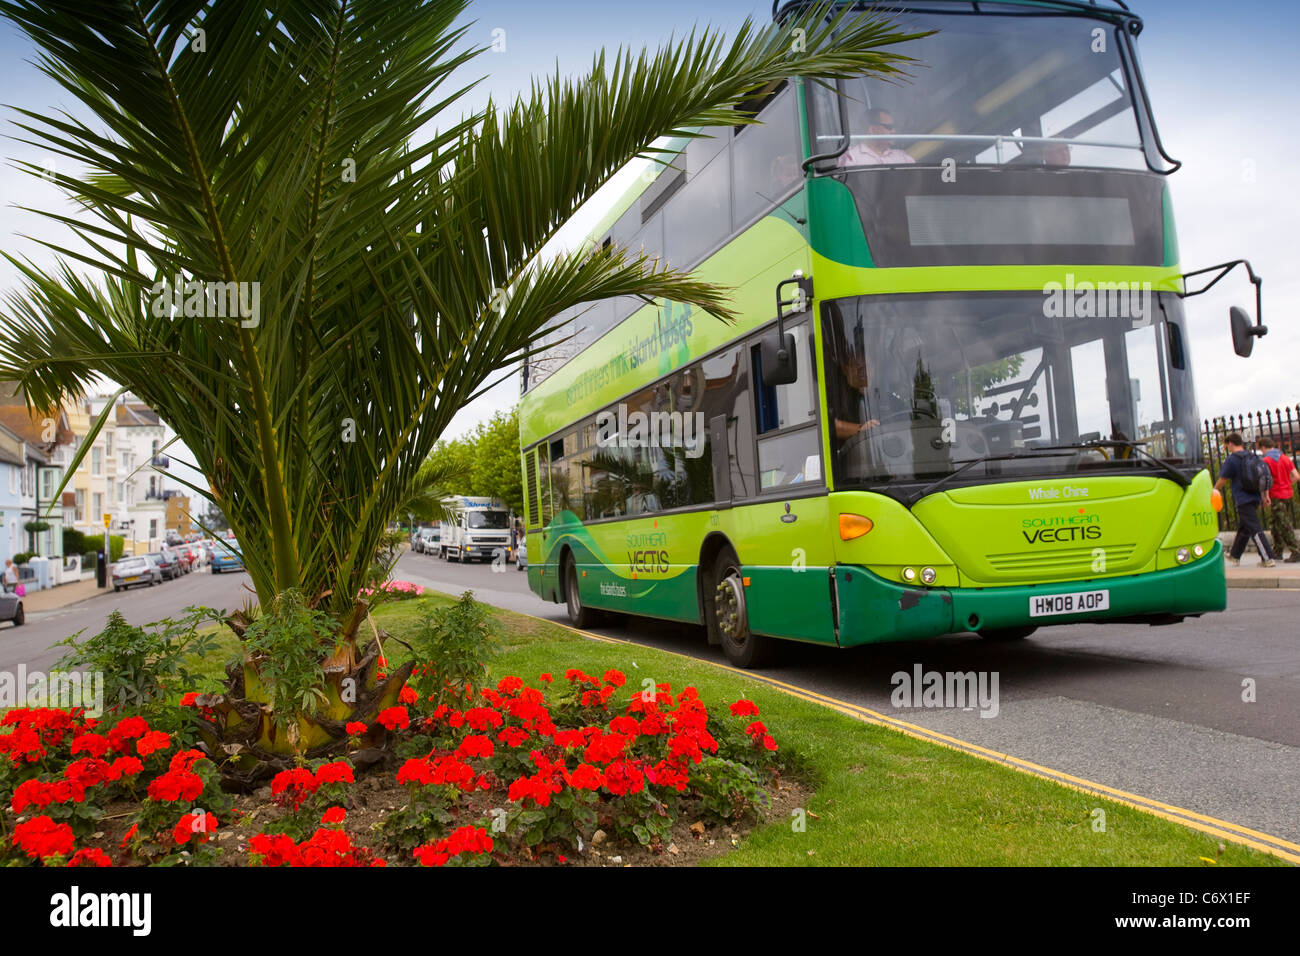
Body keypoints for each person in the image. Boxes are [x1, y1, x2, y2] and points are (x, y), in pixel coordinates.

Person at [1214, 433, 1276, 567]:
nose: (1227, 447)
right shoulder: (1252, 456)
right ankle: (1235, 555)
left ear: (1230, 443)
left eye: (1226, 445)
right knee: (1245, 528)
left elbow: (1223, 479)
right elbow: (1263, 477)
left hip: (1243, 499)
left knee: (1254, 528)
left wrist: (1214, 490)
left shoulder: (1232, 460)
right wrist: (1265, 496)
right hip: (1255, 496)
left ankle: (1268, 557)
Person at [1259, 436, 1300, 562]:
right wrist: (1287, 483)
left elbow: (1265, 480)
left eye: (1261, 450)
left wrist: (1265, 497)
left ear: (1264, 447)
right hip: (1287, 493)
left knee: (1283, 523)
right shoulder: (1285, 458)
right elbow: (1296, 476)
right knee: (1275, 523)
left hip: (1275, 495)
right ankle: (1277, 551)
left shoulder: (1266, 460)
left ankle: (1296, 551)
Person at [837, 108, 916, 167]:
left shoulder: (902, 156)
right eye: (889, 127)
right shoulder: (851, 156)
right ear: (872, 130)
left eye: (894, 127)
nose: (894, 131)